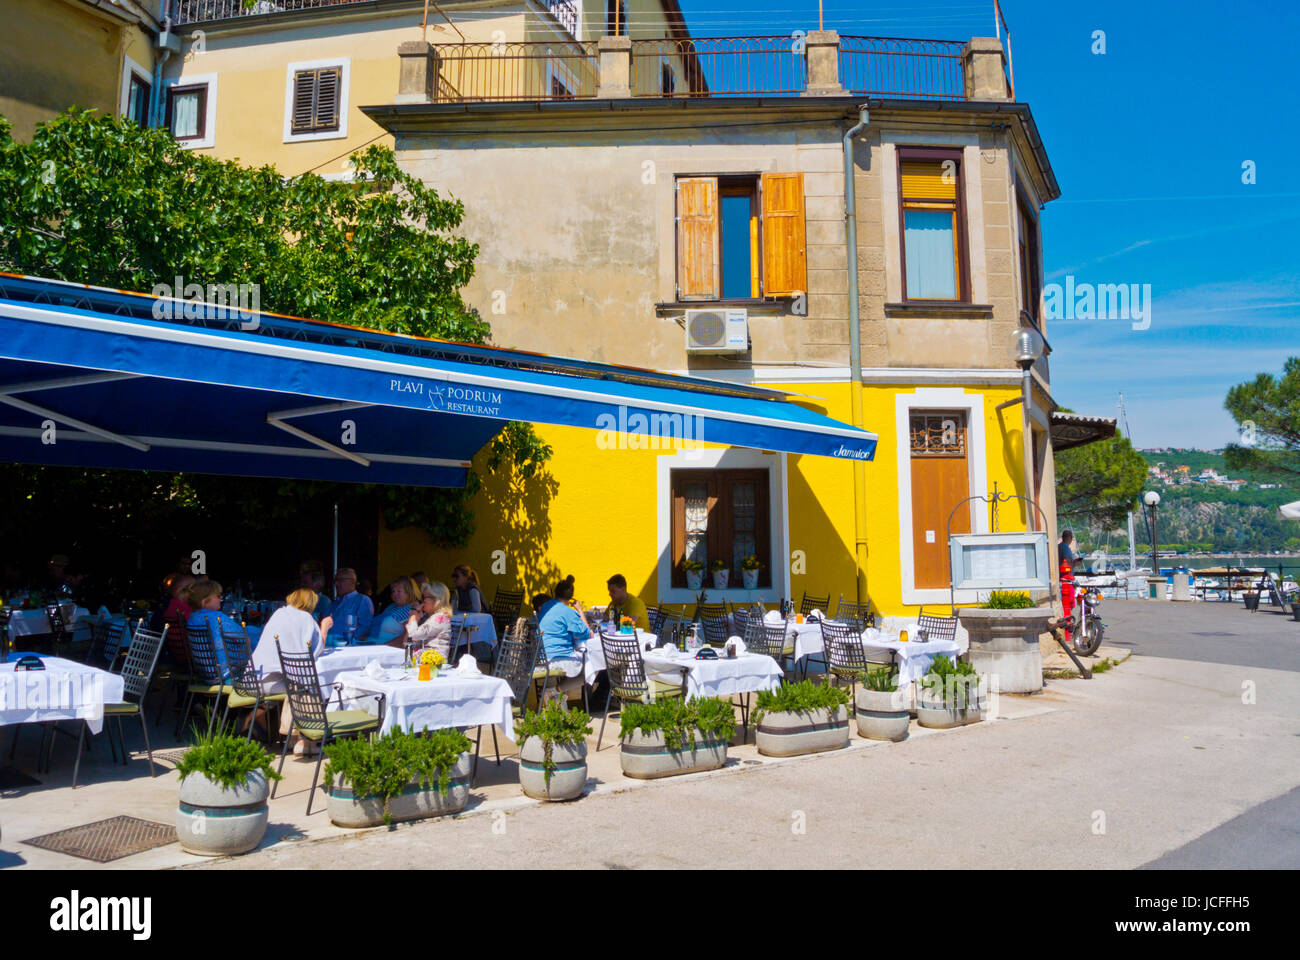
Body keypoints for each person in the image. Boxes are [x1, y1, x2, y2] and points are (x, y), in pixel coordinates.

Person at [250, 589, 332, 752]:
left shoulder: (279, 614)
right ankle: (306, 740)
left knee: (296, 681)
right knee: (304, 684)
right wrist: (324, 629)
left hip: (254, 677)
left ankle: (293, 738)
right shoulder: (306, 619)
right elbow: (313, 652)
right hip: (269, 683)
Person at [537, 575, 591, 703]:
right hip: (558, 658)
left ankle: (558, 701)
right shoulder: (568, 612)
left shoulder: (545, 607)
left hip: (542, 657)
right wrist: (579, 610)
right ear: (571, 596)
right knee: (590, 670)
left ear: (555, 593)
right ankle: (555, 691)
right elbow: (587, 633)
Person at [184, 580, 244, 677]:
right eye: (218, 596)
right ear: (204, 602)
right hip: (227, 674)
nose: (221, 598)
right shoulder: (217, 618)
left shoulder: (192, 618)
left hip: (204, 673)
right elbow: (244, 639)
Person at [402, 582, 454, 657]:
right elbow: (406, 643)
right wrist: (415, 618)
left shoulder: (440, 618)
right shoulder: (427, 617)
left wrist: (413, 616)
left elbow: (412, 635)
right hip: (421, 661)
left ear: (436, 599)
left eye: (424, 597)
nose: (421, 600)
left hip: (433, 664)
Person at [366, 576, 420, 643]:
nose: (394, 594)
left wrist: (386, 646)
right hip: (370, 644)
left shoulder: (412, 608)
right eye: (393, 591)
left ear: (409, 592)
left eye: (399, 591)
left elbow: (409, 635)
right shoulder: (392, 606)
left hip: (386, 650)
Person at [330, 567, 374, 643]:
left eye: (340, 580)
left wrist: (347, 640)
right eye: (335, 581)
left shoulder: (362, 600)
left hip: (346, 646)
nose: (336, 584)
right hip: (327, 644)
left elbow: (365, 628)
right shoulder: (333, 604)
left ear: (352, 581)